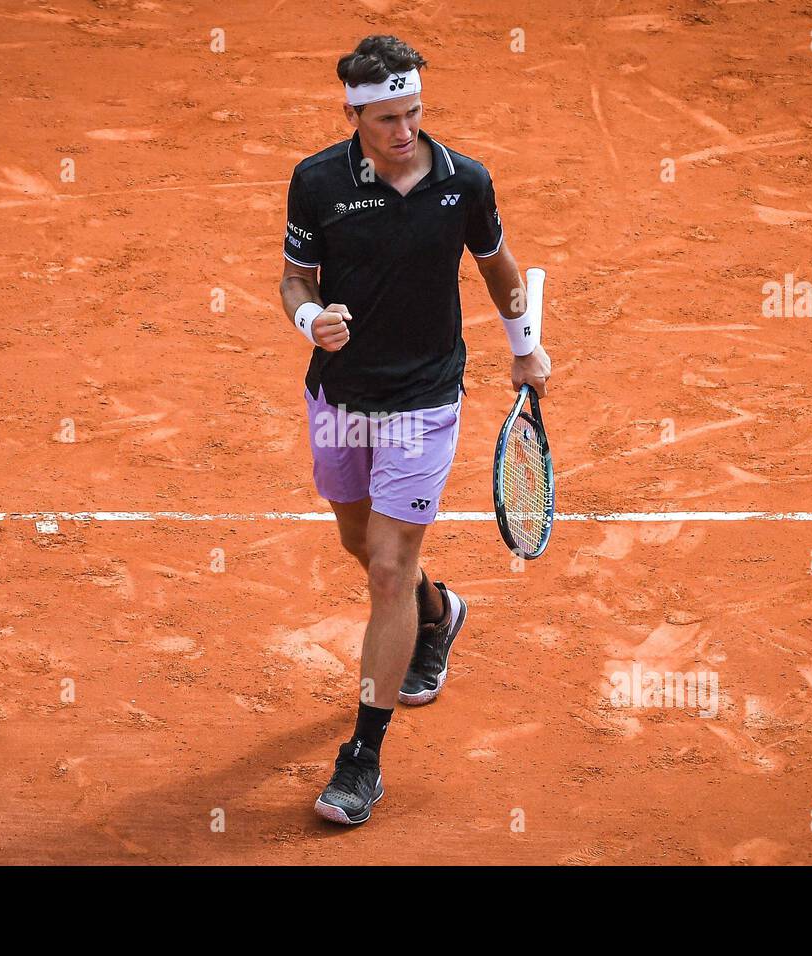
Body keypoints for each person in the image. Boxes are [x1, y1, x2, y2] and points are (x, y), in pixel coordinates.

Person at [278, 34, 551, 825]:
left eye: (415, 113)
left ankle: (361, 756)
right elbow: (296, 275)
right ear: (355, 114)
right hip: (340, 395)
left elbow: (498, 268)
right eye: (388, 118)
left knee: (388, 569)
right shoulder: (317, 182)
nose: (406, 132)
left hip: (426, 399)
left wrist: (525, 351)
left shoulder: (464, 182)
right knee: (359, 545)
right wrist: (309, 318)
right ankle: (440, 614)